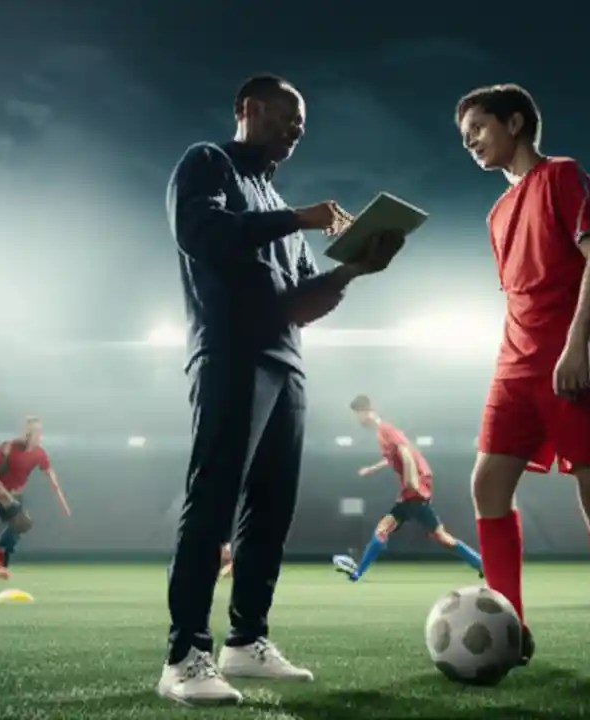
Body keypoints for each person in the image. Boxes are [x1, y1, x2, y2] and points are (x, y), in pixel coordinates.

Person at [160, 73, 403, 706]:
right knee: (213, 499)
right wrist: (296, 215)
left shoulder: (280, 208)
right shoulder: (208, 163)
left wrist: (353, 267)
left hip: (286, 362)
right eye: (285, 117)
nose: (296, 130)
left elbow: (300, 303)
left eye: (302, 124)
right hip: (230, 353)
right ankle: (185, 654)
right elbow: (201, 235)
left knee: (270, 508)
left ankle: (246, 642)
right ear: (247, 107)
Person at [455, 83, 590, 684]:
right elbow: (520, 295)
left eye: (479, 128)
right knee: (486, 485)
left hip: (573, 360)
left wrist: (578, 342)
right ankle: (510, 628)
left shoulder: (563, 175)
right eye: (464, 137)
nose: (471, 142)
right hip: (515, 364)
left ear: (516, 123)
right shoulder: (495, 214)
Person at [332, 395, 483, 581]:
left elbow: (405, 451)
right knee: (439, 537)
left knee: (387, 530)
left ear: (365, 412)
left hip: (415, 486)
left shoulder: (385, 429)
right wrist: (372, 468)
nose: (357, 420)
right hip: (413, 488)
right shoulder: (383, 433)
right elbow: (392, 457)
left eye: (357, 415)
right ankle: (481, 564)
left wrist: (412, 482)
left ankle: (357, 573)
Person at [0, 416, 70, 580]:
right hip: (1, 493)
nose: (39, 435)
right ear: (27, 433)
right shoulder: (10, 447)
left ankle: (2, 567)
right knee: (22, 522)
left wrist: (60, 497)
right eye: (35, 432)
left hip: (17, 494)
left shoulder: (39, 453)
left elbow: (49, 472)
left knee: (17, 529)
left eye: (40, 432)